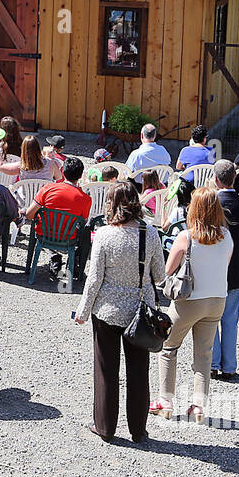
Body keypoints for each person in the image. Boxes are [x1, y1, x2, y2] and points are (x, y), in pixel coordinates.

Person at [75, 182, 165, 441]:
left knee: (106, 370)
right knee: (139, 372)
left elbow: (94, 279)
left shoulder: (104, 234)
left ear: (112, 205)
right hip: (140, 311)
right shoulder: (150, 233)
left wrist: (83, 310)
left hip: (108, 310)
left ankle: (105, 427)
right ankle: (138, 429)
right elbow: (159, 275)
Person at [152, 187, 233, 424]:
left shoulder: (186, 237)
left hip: (189, 301)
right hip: (217, 300)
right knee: (204, 354)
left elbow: (166, 271)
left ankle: (166, 401)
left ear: (193, 209)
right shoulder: (226, 236)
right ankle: (199, 406)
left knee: (169, 348)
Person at [209, 161, 239, 380]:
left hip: (211, 268)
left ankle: (212, 362)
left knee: (210, 318)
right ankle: (229, 366)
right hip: (237, 266)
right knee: (230, 319)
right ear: (235, 178)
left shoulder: (208, 204)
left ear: (215, 179)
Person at [23, 156, 93, 279]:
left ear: (63, 172)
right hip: (68, 238)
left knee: (48, 225)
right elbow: (83, 223)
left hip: (44, 235)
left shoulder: (48, 189)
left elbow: (29, 214)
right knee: (86, 232)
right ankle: (75, 265)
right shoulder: (85, 199)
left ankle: (53, 256)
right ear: (81, 176)